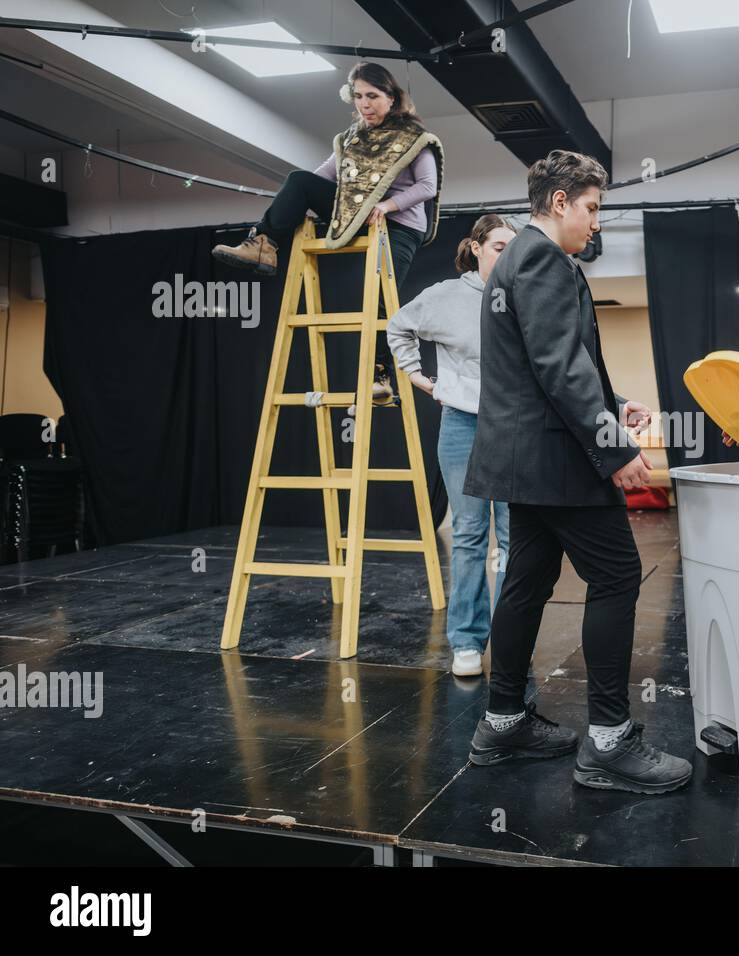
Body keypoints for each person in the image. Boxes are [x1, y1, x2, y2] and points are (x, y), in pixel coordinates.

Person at [461, 149, 693, 794]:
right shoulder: (541, 259)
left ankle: (503, 723)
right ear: (560, 202)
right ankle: (610, 745)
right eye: (593, 208)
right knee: (618, 576)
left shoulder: (514, 260)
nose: (597, 223)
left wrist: (613, 406)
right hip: (555, 460)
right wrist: (615, 448)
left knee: (526, 581)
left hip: (524, 459)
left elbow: (542, 366)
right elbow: (561, 368)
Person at [211, 61, 444, 403]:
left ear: (391, 98)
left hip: (398, 225)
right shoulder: (351, 139)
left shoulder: (413, 139)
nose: (365, 104)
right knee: (299, 181)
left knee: (380, 297)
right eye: (359, 96)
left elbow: (427, 186)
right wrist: (293, 200)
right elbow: (320, 178)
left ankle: (380, 376)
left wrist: (386, 206)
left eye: (373, 96)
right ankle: (264, 243)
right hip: (356, 214)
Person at [385, 215, 516, 678]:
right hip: (462, 424)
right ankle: (465, 641)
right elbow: (398, 326)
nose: (507, 256)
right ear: (477, 247)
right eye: (500, 246)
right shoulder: (445, 297)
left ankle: (509, 640)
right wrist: (419, 377)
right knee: (468, 535)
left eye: (513, 249)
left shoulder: (523, 295)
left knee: (515, 538)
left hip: (515, 429)